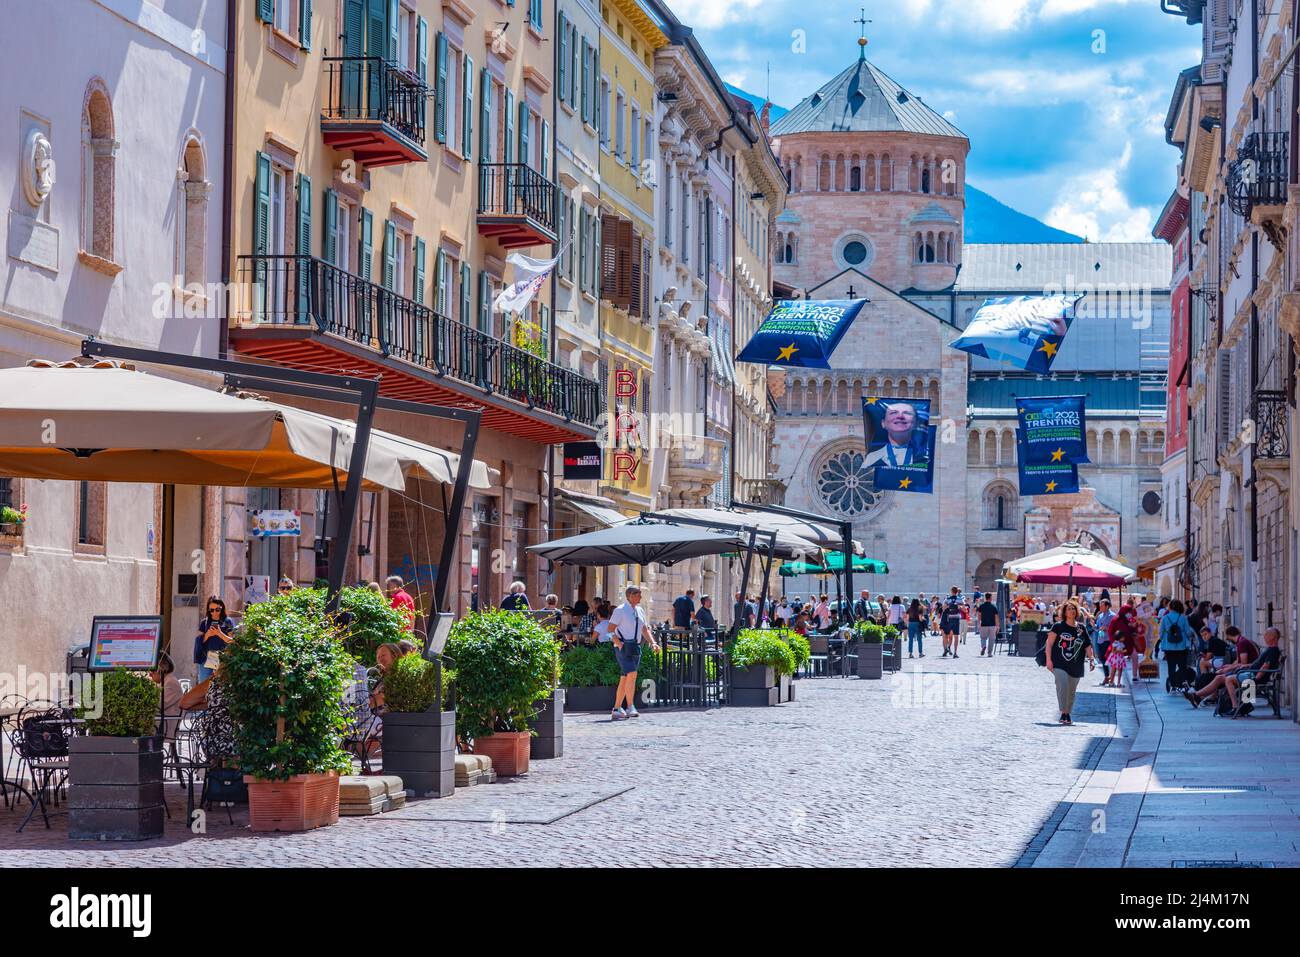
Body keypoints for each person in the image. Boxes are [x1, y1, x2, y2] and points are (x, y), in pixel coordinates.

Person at [609, 586, 659, 720]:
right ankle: (630, 706)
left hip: (635, 647)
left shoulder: (640, 610)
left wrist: (652, 642)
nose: (641, 597)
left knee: (626, 677)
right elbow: (610, 629)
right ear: (630, 595)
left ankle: (617, 708)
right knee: (632, 674)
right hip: (623, 647)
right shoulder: (620, 610)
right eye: (638, 595)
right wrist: (618, 643)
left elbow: (644, 629)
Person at [1044, 600, 1095, 725]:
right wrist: (1048, 660)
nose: (1071, 611)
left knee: (1071, 691)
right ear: (1065, 612)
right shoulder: (1058, 626)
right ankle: (1063, 712)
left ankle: (1067, 713)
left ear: (1076, 611)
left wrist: (1092, 659)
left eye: (1073, 609)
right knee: (1063, 686)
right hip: (1059, 663)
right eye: (1069, 609)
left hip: (1076, 664)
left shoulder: (1081, 628)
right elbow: (1049, 644)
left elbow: (1087, 645)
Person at [193, 596, 236, 682]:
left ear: (222, 608)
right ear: (208, 610)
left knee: (223, 684)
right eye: (211, 610)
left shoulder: (227, 622)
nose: (214, 612)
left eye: (217, 609)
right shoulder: (204, 623)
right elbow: (199, 641)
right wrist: (207, 635)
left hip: (223, 659)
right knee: (203, 685)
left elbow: (232, 641)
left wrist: (220, 634)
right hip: (206, 659)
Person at [1158, 598, 1194, 691]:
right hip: (1181, 646)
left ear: (1170, 607)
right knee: (1182, 666)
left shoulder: (1165, 618)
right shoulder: (1183, 618)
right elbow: (1188, 632)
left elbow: (1161, 632)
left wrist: (1163, 640)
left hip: (1168, 646)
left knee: (1171, 666)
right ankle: (1182, 682)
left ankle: (1173, 684)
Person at [150, 653, 184, 741]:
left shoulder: (170, 682)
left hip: (166, 724)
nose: (150, 675)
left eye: (152, 671)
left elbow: (160, 705)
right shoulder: (165, 681)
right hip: (162, 720)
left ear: (161, 669)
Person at [368, 642, 404, 714]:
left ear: (394, 655)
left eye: (383, 655)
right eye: (378, 657)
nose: (380, 659)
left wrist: (361, 707)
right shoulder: (380, 679)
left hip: (387, 721)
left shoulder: (399, 675)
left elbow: (383, 698)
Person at [1092, 599, 1115, 681]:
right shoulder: (1100, 615)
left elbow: (1115, 628)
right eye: (1100, 606)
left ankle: (1108, 677)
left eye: (1102, 606)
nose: (1100, 607)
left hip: (1108, 639)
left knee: (1108, 657)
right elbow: (1097, 627)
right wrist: (1093, 625)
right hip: (1100, 639)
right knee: (1101, 657)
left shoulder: (1112, 616)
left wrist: (1106, 628)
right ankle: (1107, 675)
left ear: (1107, 606)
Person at [940, 587, 963, 658]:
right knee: (956, 636)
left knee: (946, 635)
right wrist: (959, 607)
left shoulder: (947, 599)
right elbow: (964, 609)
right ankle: (955, 653)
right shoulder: (960, 599)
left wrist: (948, 606)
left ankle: (945, 649)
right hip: (956, 619)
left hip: (949, 619)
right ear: (957, 592)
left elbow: (943, 608)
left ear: (951, 591)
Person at [976, 592, 999, 657]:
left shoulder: (981, 606)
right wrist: (997, 626)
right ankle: (989, 653)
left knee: (983, 638)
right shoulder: (993, 606)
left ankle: (983, 646)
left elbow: (979, 615)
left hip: (984, 624)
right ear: (991, 598)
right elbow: (996, 617)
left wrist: (979, 623)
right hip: (992, 625)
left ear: (985, 598)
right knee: (991, 639)